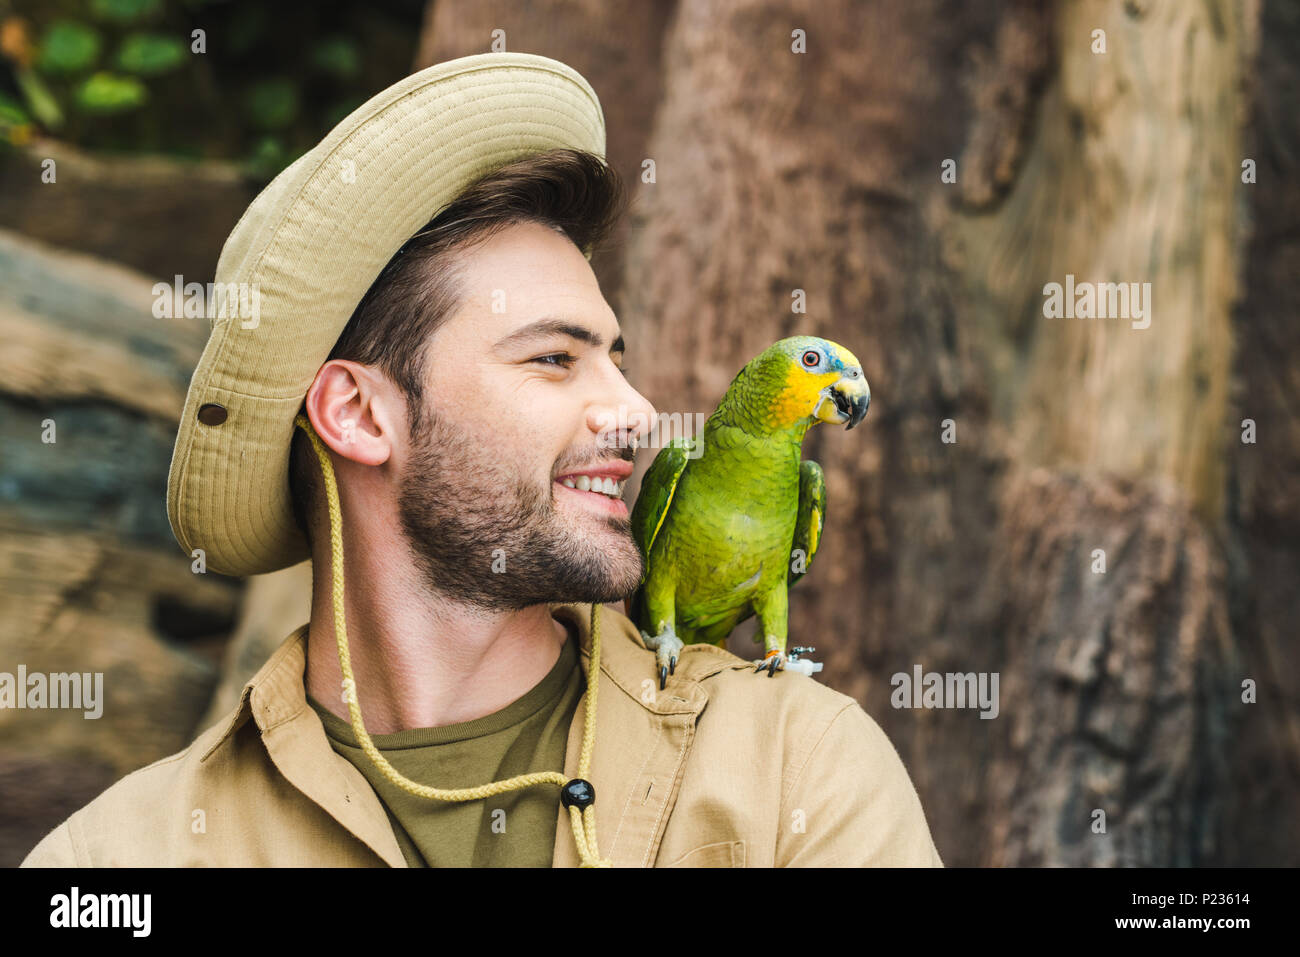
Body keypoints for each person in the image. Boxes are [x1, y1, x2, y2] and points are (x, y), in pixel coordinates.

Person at [21, 51, 941, 868]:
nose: (635, 411)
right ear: (358, 415)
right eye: (553, 358)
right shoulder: (121, 855)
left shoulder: (796, 774)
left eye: (614, 359)